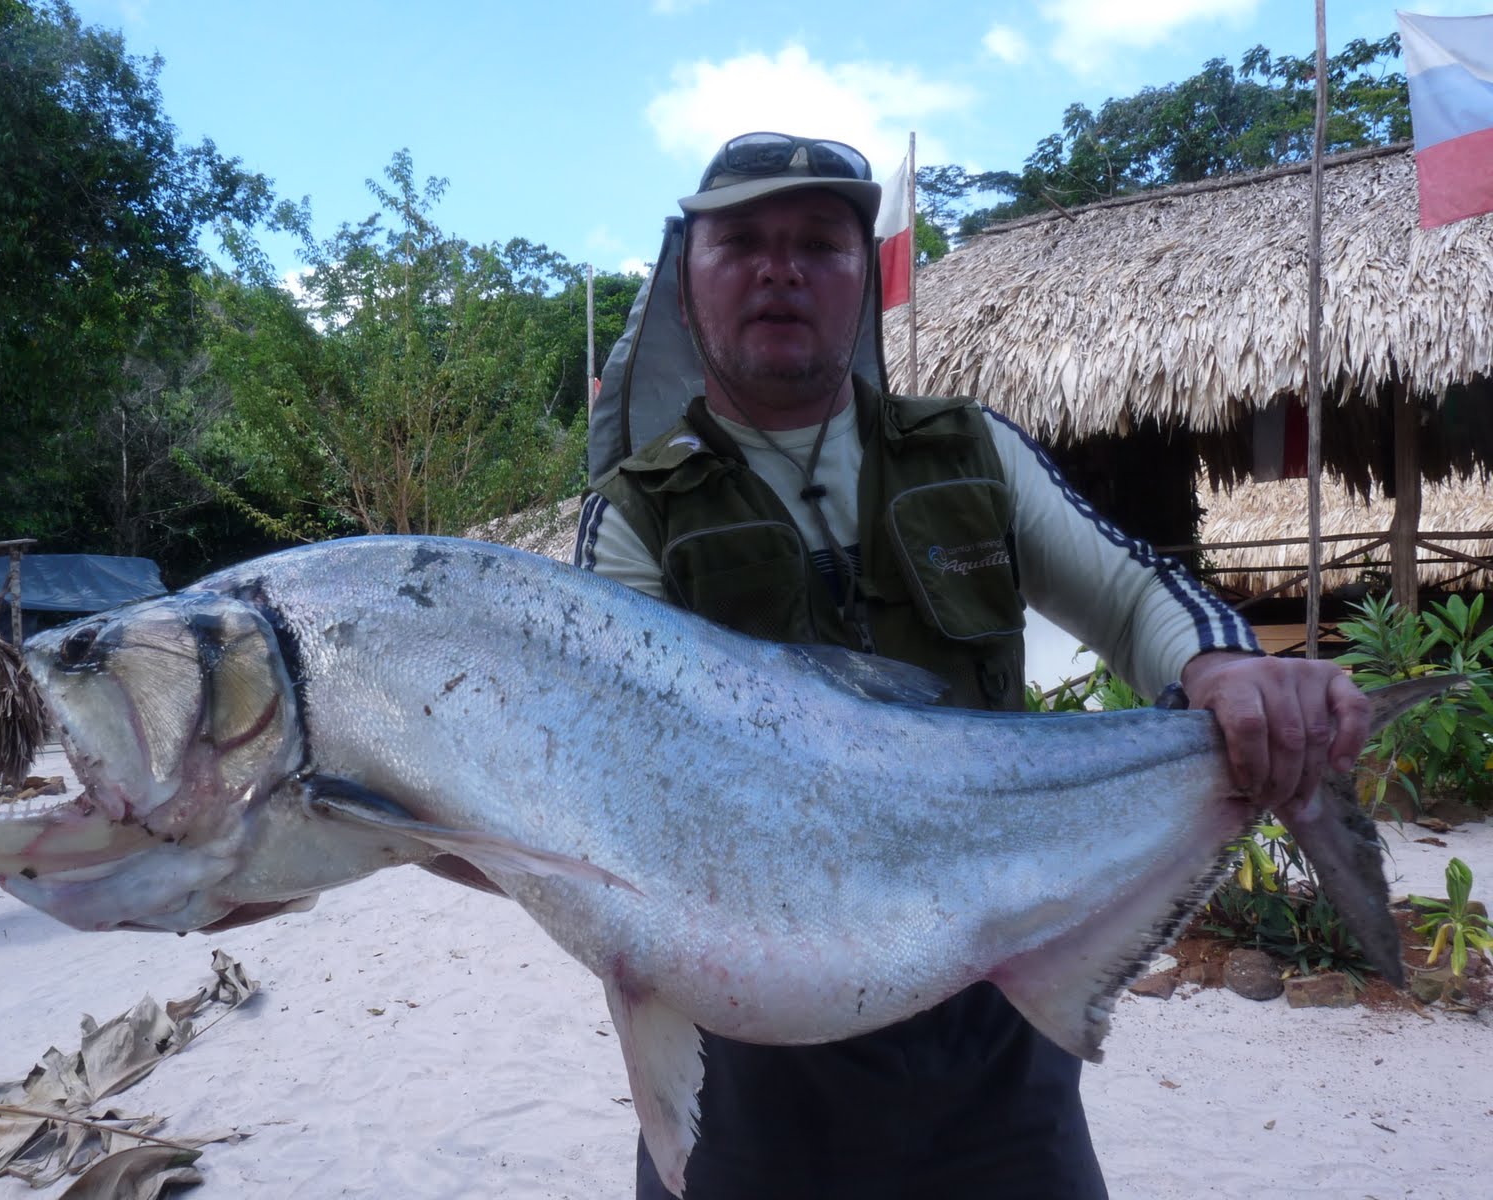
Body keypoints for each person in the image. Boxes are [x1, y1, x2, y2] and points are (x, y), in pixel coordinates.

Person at [573, 131, 1371, 1199]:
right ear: (686, 285)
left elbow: (1133, 590)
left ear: (863, 277)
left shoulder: (971, 447)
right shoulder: (632, 516)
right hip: (747, 1060)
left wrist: (1224, 671)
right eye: (744, 243)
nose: (781, 266)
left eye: (819, 241)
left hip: (996, 1033)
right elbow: (607, 777)